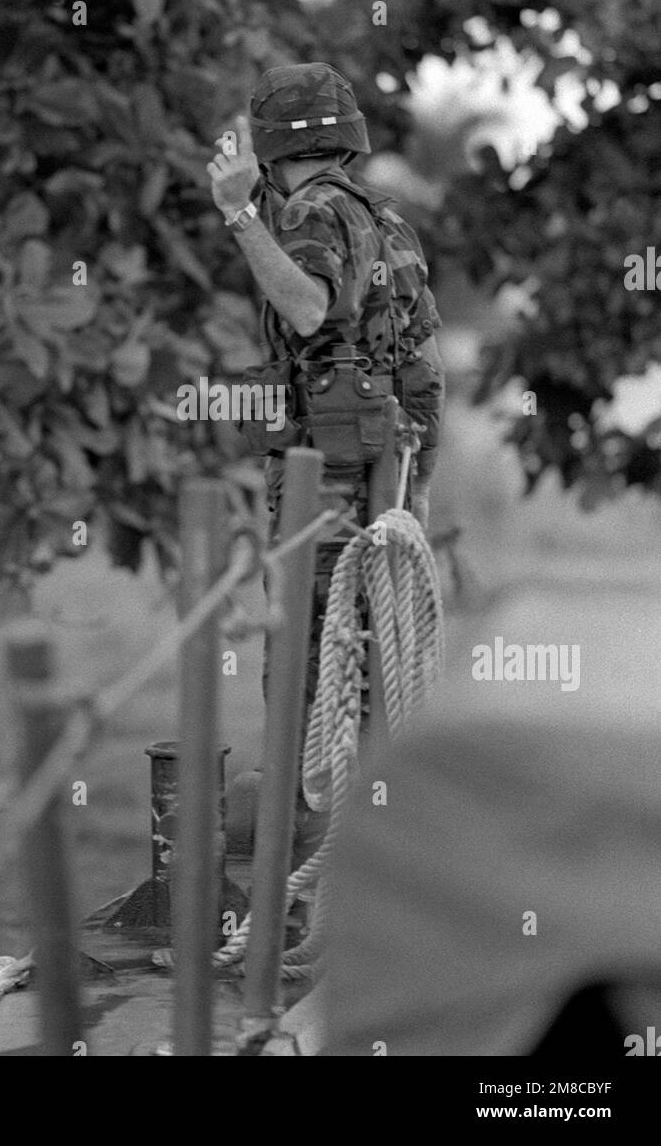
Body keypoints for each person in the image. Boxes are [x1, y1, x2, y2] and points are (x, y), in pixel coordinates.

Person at [207, 63, 444, 849]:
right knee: (371, 665)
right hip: (379, 469)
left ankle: (309, 868)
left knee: (314, 669)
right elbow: (420, 361)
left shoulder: (308, 212)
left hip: (332, 479)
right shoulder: (382, 216)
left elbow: (306, 310)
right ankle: (374, 856)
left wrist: (240, 215)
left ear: (272, 145)